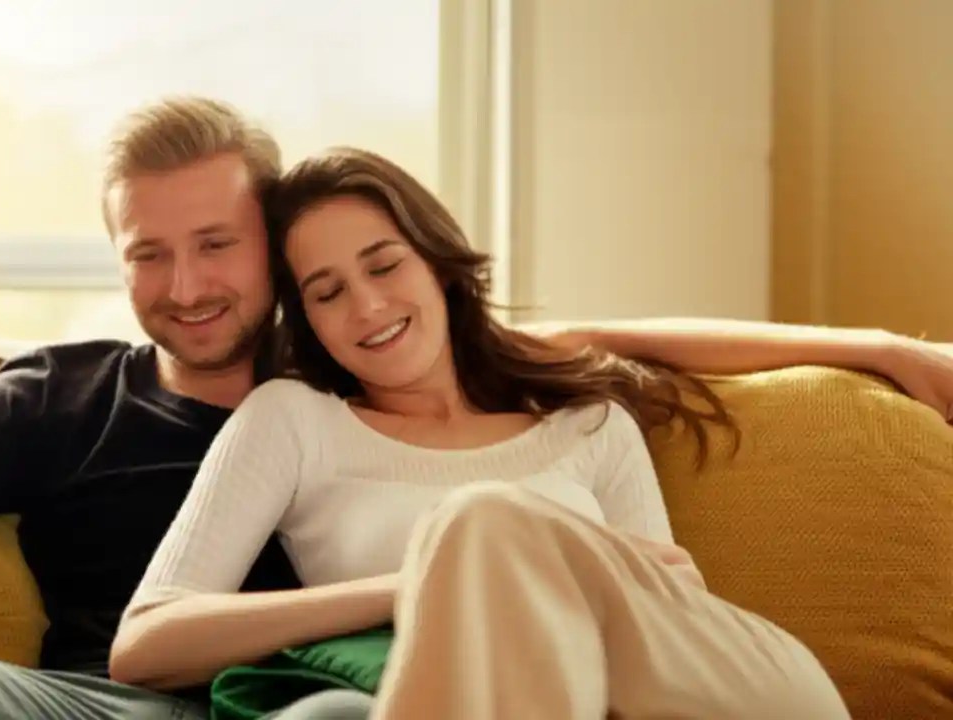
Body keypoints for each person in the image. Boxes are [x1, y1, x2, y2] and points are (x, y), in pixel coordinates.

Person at [0, 97, 950, 720]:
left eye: (215, 245)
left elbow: (577, 351)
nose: (184, 288)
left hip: (362, 701)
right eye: (147, 253)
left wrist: (881, 347)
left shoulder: (430, 381)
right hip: (135, 702)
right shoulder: (98, 398)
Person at [108, 146, 857, 718]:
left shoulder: (589, 421)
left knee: (487, 518)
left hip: (745, 686)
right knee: (479, 522)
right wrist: (423, 583)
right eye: (328, 292)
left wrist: (883, 350)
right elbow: (147, 643)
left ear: (437, 264)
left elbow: (671, 598)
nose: (368, 308)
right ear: (306, 322)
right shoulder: (292, 420)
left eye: (384, 265)